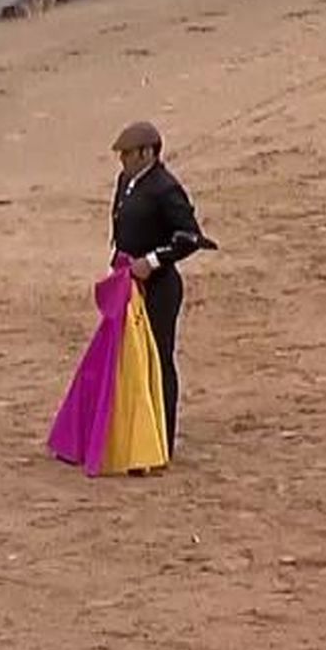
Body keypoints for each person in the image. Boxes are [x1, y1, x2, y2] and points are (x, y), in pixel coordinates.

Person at [108, 121, 217, 459]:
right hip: (128, 284)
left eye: (128, 154)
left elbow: (190, 237)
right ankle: (134, 433)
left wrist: (152, 261)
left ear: (148, 153)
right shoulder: (126, 181)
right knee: (128, 358)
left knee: (158, 358)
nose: (123, 160)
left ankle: (161, 440)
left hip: (159, 288)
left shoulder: (165, 188)